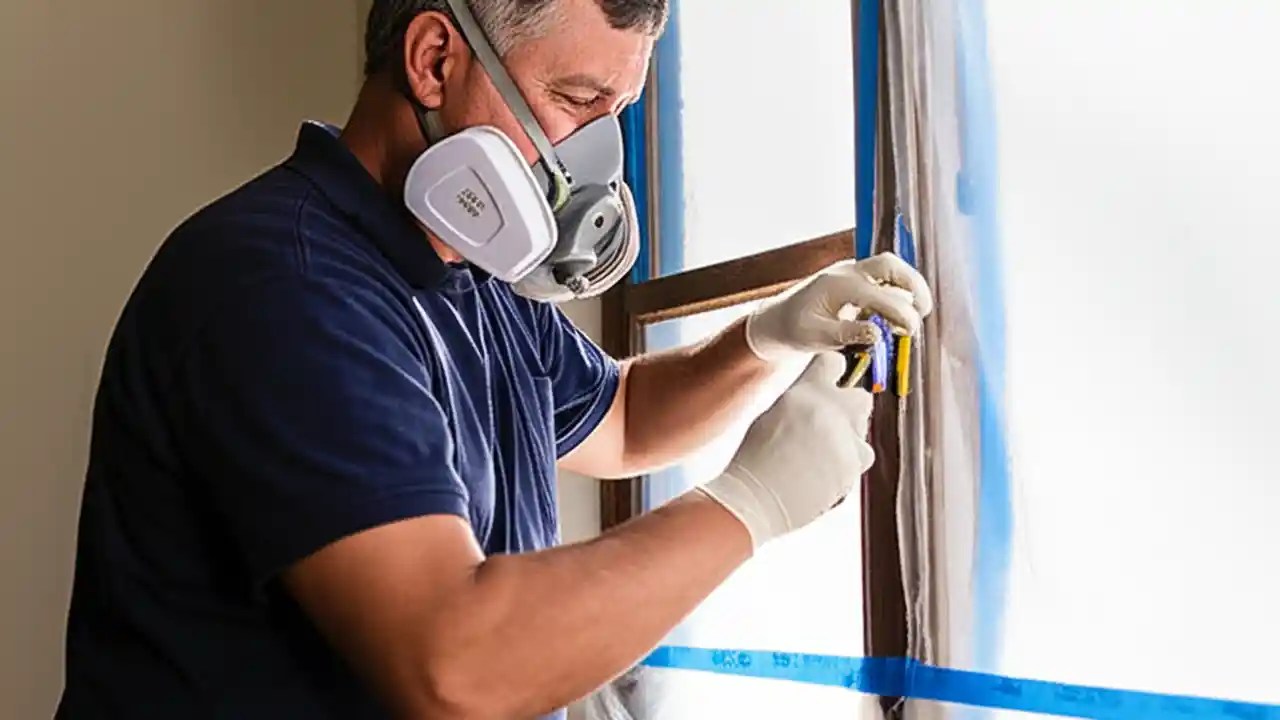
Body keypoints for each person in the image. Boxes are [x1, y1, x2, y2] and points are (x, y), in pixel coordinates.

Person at [56, 0, 934, 718]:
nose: (599, 160)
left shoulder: (468, 278)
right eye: (576, 101)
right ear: (435, 58)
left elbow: (622, 421)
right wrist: (750, 503)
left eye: (617, 115)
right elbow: (453, 665)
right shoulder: (285, 287)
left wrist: (766, 340)